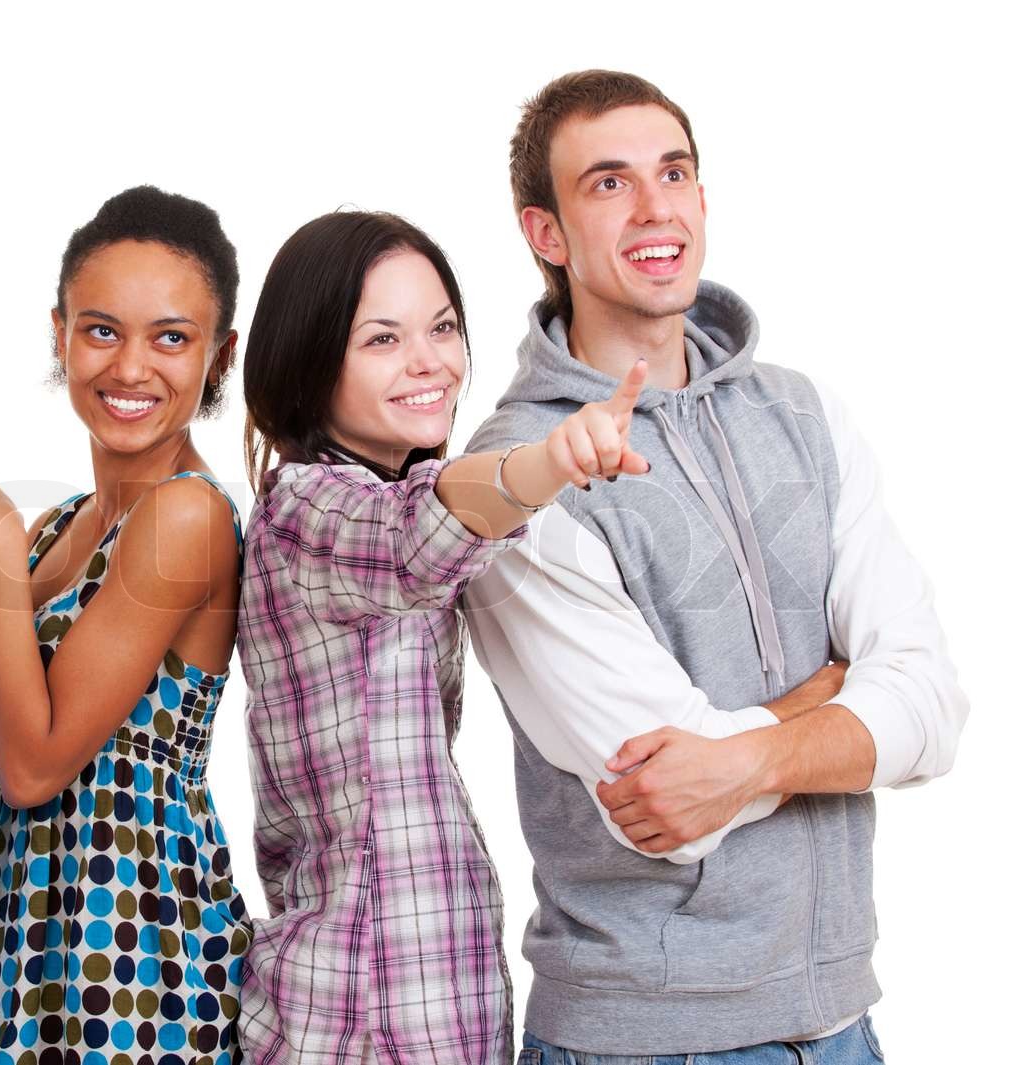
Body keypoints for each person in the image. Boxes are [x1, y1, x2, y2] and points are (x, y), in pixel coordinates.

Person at [461, 70, 969, 1061]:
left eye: (674, 172)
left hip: (839, 1024)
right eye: (608, 183)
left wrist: (741, 760)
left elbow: (934, 710)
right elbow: (668, 805)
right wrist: (831, 702)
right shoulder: (514, 479)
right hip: (647, 1039)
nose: (656, 208)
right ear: (545, 235)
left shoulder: (801, 413)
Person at [236, 210, 658, 1065]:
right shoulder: (304, 508)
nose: (429, 360)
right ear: (311, 362)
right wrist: (554, 459)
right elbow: (413, 536)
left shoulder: (405, 479)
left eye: (442, 327)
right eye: (382, 339)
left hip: (444, 993)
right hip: (350, 1012)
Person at [0, 186, 253, 1065]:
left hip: (140, 943)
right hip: (35, 929)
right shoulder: (59, 527)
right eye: (102, 329)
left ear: (220, 356)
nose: (131, 367)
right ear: (59, 333)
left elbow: (31, 764)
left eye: (171, 337)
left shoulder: (189, 517)